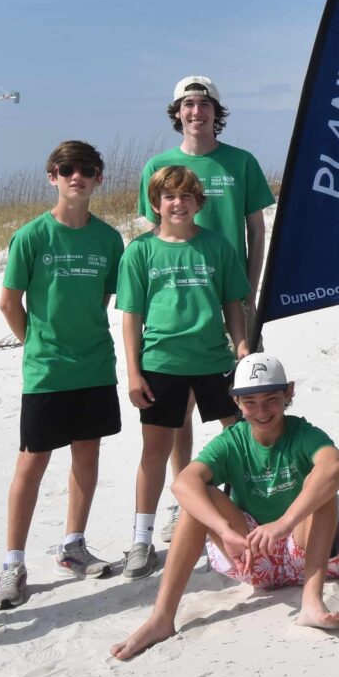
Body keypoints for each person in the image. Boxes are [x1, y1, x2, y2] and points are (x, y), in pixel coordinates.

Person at [110, 353, 339, 657]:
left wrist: (284, 523)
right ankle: (161, 618)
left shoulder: (302, 433)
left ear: (288, 392)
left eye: (270, 399)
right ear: (236, 402)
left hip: (309, 557)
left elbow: (336, 466)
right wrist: (225, 530)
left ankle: (312, 602)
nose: (261, 411)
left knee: (325, 487)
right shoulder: (233, 440)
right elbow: (182, 483)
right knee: (199, 496)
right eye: (250, 402)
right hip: (253, 556)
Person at [137, 76, 274, 538]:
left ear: (217, 110)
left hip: (232, 296)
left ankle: (243, 490)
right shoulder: (159, 164)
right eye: (188, 105)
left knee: (239, 401)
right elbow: (152, 236)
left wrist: (249, 290)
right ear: (177, 112)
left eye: (205, 104)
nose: (197, 112)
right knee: (178, 409)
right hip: (180, 302)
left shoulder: (241, 162)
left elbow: (256, 228)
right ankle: (186, 494)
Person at [0, 140, 128, 609]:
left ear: (98, 179)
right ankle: (12, 563)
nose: (77, 176)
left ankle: (73, 545)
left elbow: (106, 299)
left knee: (86, 456)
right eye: (67, 169)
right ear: (52, 175)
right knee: (32, 462)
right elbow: (9, 302)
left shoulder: (109, 239)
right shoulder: (31, 236)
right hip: (46, 369)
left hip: (94, 365)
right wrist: (34, 339)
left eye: (87, 170)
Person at [116, 165, 251, 579]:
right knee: (154, 452)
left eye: (186, 196)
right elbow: (131, 316)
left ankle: (243, 523)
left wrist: (243, 350)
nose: (178, 203)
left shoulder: (217, 246)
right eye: (169, 196)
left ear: (199, 203)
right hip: (161, 364)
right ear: (155, 204)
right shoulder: (140, 251)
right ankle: (141, 540)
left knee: (240, 443)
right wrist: (134, 372)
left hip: (214, 361)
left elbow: (232, 303)